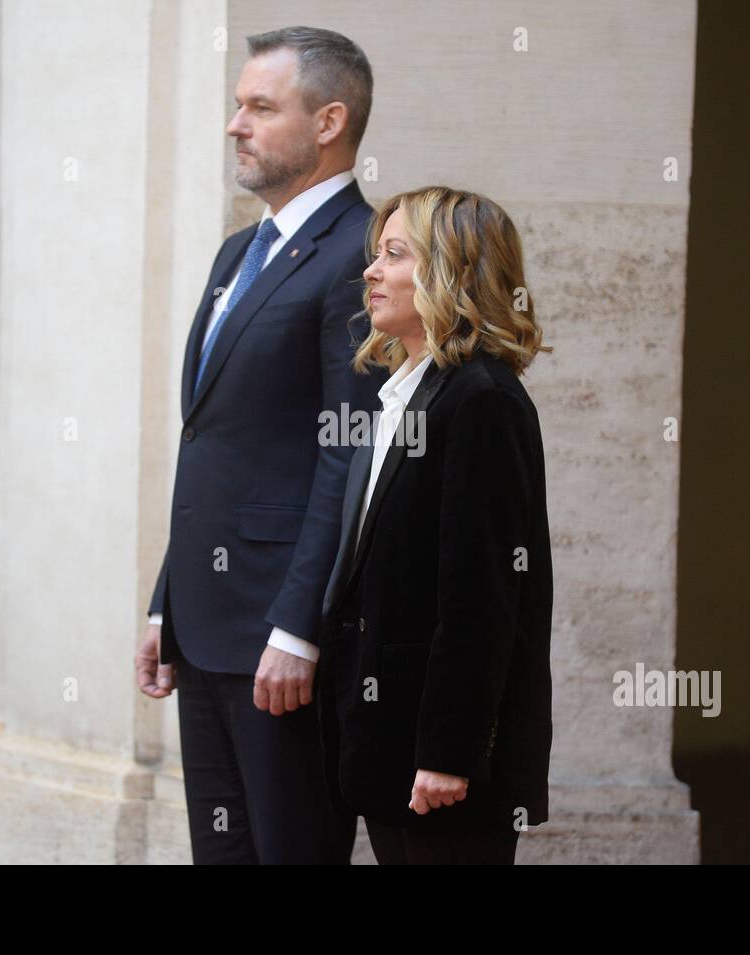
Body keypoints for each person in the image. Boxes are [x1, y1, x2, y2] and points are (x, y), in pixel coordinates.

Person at [133, 27, 385, 864]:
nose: (235, 124)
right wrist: (169, 595)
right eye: (237, 104)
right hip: (206, 626)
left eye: (260, 107)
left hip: (283, 640)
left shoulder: (360, 254)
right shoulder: (239, 251)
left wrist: (299, 627)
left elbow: (345, 455)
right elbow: (214, 436)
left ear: (328, 122)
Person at [316, 186, 554, 864]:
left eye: (395, 253)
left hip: (443, 771)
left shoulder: (482, 401)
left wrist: (449, 753)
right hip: (391, 747)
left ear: (453, 272)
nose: (371, 270)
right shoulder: (406, 393)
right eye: (375, 253)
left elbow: (481, 597)